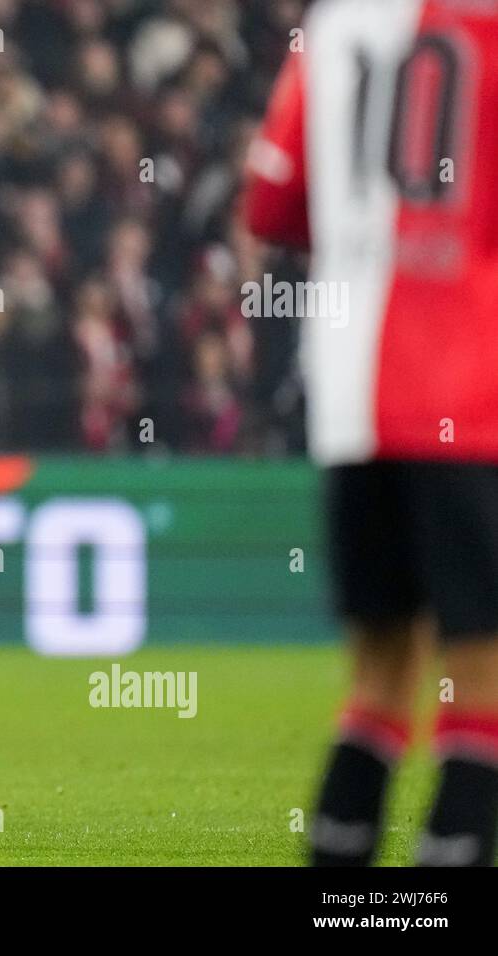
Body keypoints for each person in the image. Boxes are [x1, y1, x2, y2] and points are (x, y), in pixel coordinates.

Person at [244, 0, 498, 865]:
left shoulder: (337, 25)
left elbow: (270, 204)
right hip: (470, 395)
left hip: (351, 398)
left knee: (377, 681)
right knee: (482, 679)